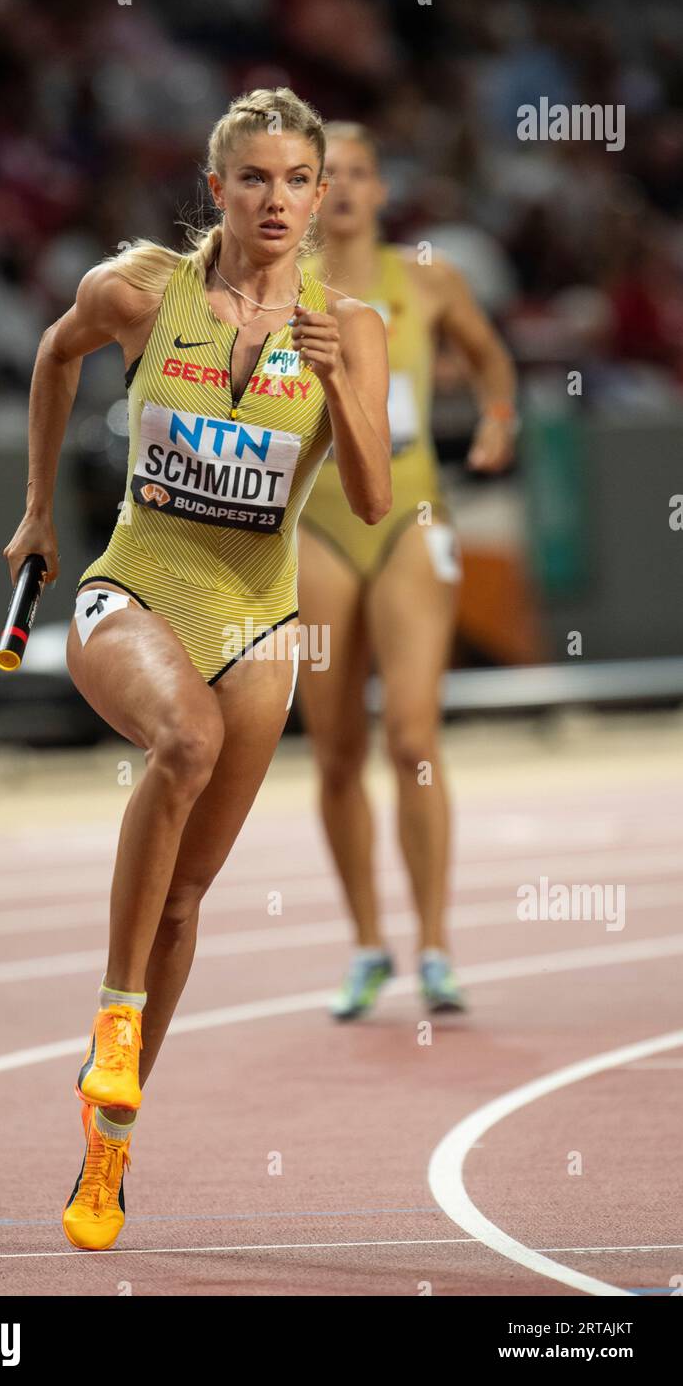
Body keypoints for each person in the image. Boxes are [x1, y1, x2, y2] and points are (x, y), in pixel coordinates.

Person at [2, 90, 391, 1252]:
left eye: (296, 182)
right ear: (215, 188)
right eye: (254, 179)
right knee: (185, 742)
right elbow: (53, 353)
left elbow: (371, 498)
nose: (276, 201)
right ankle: (113, 1023)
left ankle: (107, 1148)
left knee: (187, 896)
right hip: (136, 584)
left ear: (321, 198)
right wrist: (36, 513)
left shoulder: (349, 324)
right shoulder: (138, 291)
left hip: (257, 616)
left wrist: (336, 384)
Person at [296, 123, 516, 1021]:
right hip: (316, 523)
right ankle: (365, 946)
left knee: (414, 740)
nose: (342, 189)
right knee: (339, 748)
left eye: (357, 173)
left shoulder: (426, 280)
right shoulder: (277, 288)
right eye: (324, 175)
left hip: (413, 516)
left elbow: (492, 354)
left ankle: (434, 947)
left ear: (382, 190)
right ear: (304, 194)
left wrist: (497, 412)